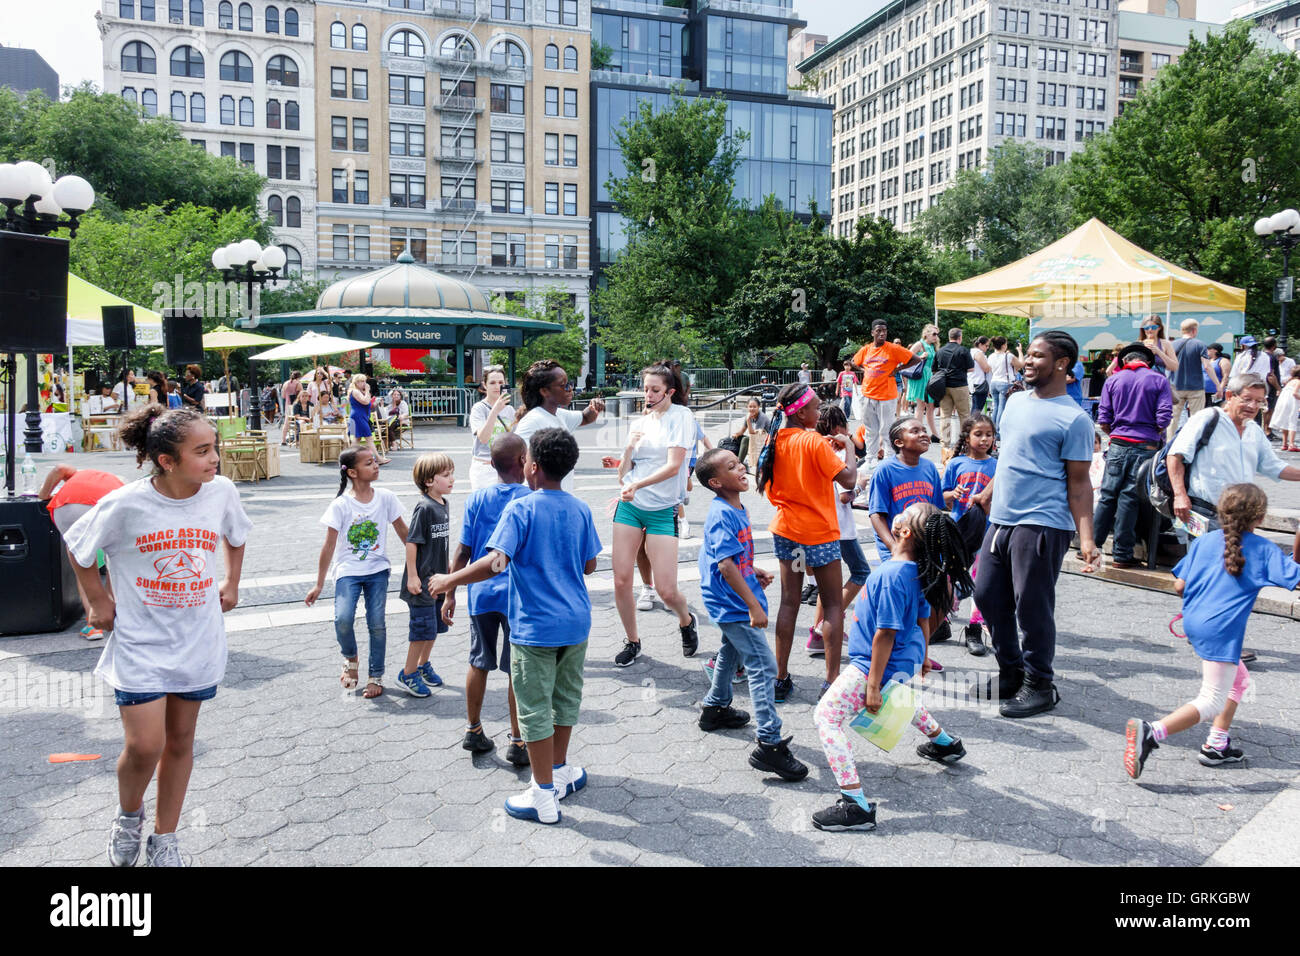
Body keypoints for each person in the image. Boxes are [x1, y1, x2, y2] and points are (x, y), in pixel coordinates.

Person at [65, 404, 251, 867]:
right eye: (203, 451)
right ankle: (129, 816)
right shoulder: (126, 503)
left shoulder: (221, 492)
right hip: (140, 642)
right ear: (167, 461)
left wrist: (231, 581)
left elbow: (237, 535)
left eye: (216, 448)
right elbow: (78, 546)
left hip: (197, 639)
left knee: (181, 741)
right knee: (145, 746)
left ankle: (165, 839)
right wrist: (96, 600)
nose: (215, 459)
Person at [428, 428, 602, 826]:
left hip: (535, 626)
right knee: (566, 698)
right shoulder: (579, 508)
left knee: (534, 707)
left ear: (533, 466)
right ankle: (559, 771)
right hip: (575, 622)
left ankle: (542, 795)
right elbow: (590, 564)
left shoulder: (521, 510)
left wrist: (449, 581)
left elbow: (495, 562)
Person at [811, 504, 970, 833]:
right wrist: (924, 654)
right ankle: (945, 743)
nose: (900, 513)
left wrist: (871, 685)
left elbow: (885, 633)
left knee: (826, 717)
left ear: (905, 532)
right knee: (899, 696)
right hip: (904, 658)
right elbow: (923, 616)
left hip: (874, 663)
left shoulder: (890, 574)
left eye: (908, 512)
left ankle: (855, 804)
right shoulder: (916, 569)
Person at [1125, 484, 1300, 779]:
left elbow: (1179, 584)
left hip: (1194, 622)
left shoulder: (1206, 542)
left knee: (1238, 682)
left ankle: (1216, 745)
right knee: (1212, 700)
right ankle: (1152, 732)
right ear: (1259, 518)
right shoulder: (1264, 550)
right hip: (1221, 630)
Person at [971, 331, 1100, 718]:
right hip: (1002, 517)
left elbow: (1080, 484)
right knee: (987, 595)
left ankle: (1040, 683)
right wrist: (989, 492)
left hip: (1043, 522)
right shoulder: (1013, 402)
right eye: (1027, 355)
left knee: (1032, 605)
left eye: (1037, 356)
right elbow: (1011, 456)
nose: (1027, 361)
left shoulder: (1075, 419)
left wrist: (1088, 538)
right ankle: (1011, 672)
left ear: (1062, 363)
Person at [693, 447, 809, 781]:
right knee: (762, 665)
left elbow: (729, 557)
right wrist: (754, 605)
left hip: (733, 597)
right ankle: (769, 744)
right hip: (732, 603)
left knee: (732, 649)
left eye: (739, 462)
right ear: (716, 482)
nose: (741, 468)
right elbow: (725, 565)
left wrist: (752, 569)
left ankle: (715, 708)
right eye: (732, 467)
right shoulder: (721, 514)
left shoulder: (735, 506)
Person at [759, 382, 857, 702]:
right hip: (820, 535)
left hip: (788, 533)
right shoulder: (813, 442)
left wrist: (822, 446)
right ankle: (831, 682)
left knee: (788, 602)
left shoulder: (777, 438)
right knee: (831, 606)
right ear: (801, 412)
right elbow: (849, 479)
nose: (820, 410)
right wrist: (850, 449)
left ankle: (781, 677)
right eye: (816, 407)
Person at [444, 434, 533, 765]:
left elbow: (463, 550)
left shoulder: (476, 499)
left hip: (480, 593)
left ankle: (473, 728)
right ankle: (518, 739)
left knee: (478, 661)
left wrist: (450, 592)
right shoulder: (529, 498)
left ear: (492, 464)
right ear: (523, 460)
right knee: (516, 670)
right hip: (517, 597)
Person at [609, 364, 700, 667]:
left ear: (670, 391)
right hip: (631, 507)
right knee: (621, 580)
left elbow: (675, 465)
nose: (648, 395)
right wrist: (626, 453)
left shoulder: (682, 417)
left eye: (655, 390)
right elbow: (625, 471)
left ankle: (686, 621)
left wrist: (638, 482)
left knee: (667, 590)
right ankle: (632, 641)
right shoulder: (641, 421)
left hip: (662, 510)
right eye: (645, 388)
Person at [305, 448, 409, 700]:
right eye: (368, 463)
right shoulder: (340, 504)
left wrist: (421, 566)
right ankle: (351, 658)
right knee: (342, 618)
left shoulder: (385, 497)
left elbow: (405, 534)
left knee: (377, 623)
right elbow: (328, 546)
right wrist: (318, 584)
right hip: (348, 571)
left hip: (377, 570)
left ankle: (376, 675)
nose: (376, 466)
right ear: (352, 472)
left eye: (375, 461)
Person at [1092, 342, 1172, 569]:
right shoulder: (1159, 380)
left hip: (1118, 442)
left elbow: (1103, 417)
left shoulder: (1113, 380)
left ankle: (1091, 548)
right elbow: (1165, 416)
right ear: (1147, 362)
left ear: (1124, 361)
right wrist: (1153, 433)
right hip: (1145, 445)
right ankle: (1121, 554)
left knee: (1107, 495)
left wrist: (1115, 434)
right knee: (1129, 497)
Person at [806, 404, 872, 658]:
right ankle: (827, 623)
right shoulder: (842, 451)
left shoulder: (817, 447)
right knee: (861, 571)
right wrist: (860, 485)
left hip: (821, 524)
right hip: (840, 527)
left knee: (827, 583)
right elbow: (846, 495)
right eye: (846, 425)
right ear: (838, 429)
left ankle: (816, 634)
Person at [39, 464, 125, 641]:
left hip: (70, 505)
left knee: (83, 563)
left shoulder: (77, 473)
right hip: (110, 505)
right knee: (113, 561)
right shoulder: (116, 481)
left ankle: (93, 624)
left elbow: (59, 469)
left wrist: (44, 494)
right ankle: (115, 614)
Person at [396, 453, 454, 698]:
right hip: (421, 582)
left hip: (437, 580)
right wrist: (412, 576)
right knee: (422, 629)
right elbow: (412, 542)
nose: (452, 479)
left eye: (452, 473)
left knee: (435, 628)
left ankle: (422, 665)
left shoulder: (443, 503)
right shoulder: (424, 507)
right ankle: (407, 673)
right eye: (445, 475)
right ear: (429, 480)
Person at [942, 413, 998, 656]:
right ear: (966, 437)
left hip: (986, 533)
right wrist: (953, 494)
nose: (984, 439)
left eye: (989, 435)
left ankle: (975, 628)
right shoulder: (956, 464)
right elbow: (942, 498)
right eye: (978, 434)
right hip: (958, 530)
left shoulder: (996, 466)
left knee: (980, 582)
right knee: (948, 575)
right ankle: (940, 621)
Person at [511, 359, 604, 493]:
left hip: (560, 498)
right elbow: (520, 466)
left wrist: (594, 406)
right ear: (544, 391)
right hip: (541, 502)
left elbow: (584, 417)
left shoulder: (559, 414)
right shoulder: (532, 421)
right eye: (563, 385)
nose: (570, 389)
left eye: (570, 383)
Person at [851, 319, 922, 460]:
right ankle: (870, 459)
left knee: (887, 430)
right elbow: (854, 361)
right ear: (872, 333)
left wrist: (898, 369)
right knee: (870, 430)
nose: (882, 333)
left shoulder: (893, 349)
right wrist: (863, 368)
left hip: (887, 396)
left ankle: (890, 458)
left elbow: (916, 359)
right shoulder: (866, 349)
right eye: (878, 331)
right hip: (867, 394)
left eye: (884, 331)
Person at [1169, 319, 1218, 439]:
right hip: (1196, 388)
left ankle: (1168, 446)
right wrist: (1218, 384)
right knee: (1197, 419)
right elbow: (1207, 366)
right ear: (1194, 330)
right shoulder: (1199, 344)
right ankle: (1194, 443)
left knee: (1172, 420)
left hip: (1176, 386)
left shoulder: (1172, 345)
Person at [468, 366, 514, 490]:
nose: (497, 386)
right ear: (485, 385)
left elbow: (515, 439)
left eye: (501, 383)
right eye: (492, 383)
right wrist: (495, 411)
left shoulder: (510, 410)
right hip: (483, 465)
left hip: (504, 466)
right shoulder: (479, 408)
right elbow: (483, 438)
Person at [932, 327, 975, 449]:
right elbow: (971, 369)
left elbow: (934, 370)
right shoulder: (963, 350)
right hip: (960, 385)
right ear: (959, 337)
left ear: (949, 337)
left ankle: (945, 444)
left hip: (944, 386)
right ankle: (964, 443)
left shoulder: (940, 351)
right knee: (964, 415)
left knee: (945, 415)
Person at [905, 324, 941, 438]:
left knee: (931, 407)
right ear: (926, 334)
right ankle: (917, 433)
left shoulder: (931, 346)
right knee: (921, 406)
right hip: (920, 378)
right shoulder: (920, 344)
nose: (936, 336)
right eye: (934, 334)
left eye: (937, 334)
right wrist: (920, 357)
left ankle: (935, 434)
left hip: (930, 377)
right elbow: (906, 357)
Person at [346, 373, 388, 464]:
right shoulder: (355, 391)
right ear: (356, 382)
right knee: (369, 438)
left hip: (361, 416)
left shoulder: (359, 392)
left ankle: (349, 459)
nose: (364, 383)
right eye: (361, 381)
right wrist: (368, 391)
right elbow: (365, 401)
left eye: (364, 381)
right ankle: (378, 458)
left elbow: (367, 403)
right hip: (359, 416)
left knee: (357, 439)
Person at [987, 336, 1023, 429]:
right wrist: (1020, 351)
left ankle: (993, 430)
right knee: (1002, 408)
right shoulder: (1008, 356)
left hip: (994, 383)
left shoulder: (990, 356)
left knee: (996, 407)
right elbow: (1021, 365)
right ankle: (998, 431)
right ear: (1003, 346)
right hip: (1005, 383)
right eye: (1006, 344)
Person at [733, 397, 770, 475]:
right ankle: (739, 461)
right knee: (739, 438)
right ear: (747, 407)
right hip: (756, 438)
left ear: (758, 407)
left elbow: (753, 434)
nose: (752, 409)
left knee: (745, 440)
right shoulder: (749, 416)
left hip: (765, 439)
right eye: (750, 406)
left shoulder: (761, 417)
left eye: (754, 407)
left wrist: (748, 420)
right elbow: (742, 431)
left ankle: (739, 463)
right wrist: (736, 435)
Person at [1272, 367, 1300, 452]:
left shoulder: (1289, 381)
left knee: (1285, 421)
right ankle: (1291, 444)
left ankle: (1284, 444)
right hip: (1292, 402)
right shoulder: (1298, 381)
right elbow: (1295, 393)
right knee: (1292, 421)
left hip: (1283, 401)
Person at [969, 335, 991, 416]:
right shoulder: (978, 353)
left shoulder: (972, 352)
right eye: (986, 345)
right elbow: (986, 368)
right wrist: (991, 366)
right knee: (977, 408)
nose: (987, 348)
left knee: (975, 407)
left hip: (975, 382)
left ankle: (971, 425)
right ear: (980, 344)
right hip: (979, 383)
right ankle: (971, 426)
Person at [280, 371, 303, 444]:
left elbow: (283, 396)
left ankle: (283, 440)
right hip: (296, 405)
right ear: (299, 377)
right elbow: (301, 395)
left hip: (287, 405)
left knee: (286, 423)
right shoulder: (298, 383)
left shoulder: (285, 383)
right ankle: (298, 440)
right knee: (299, 421)